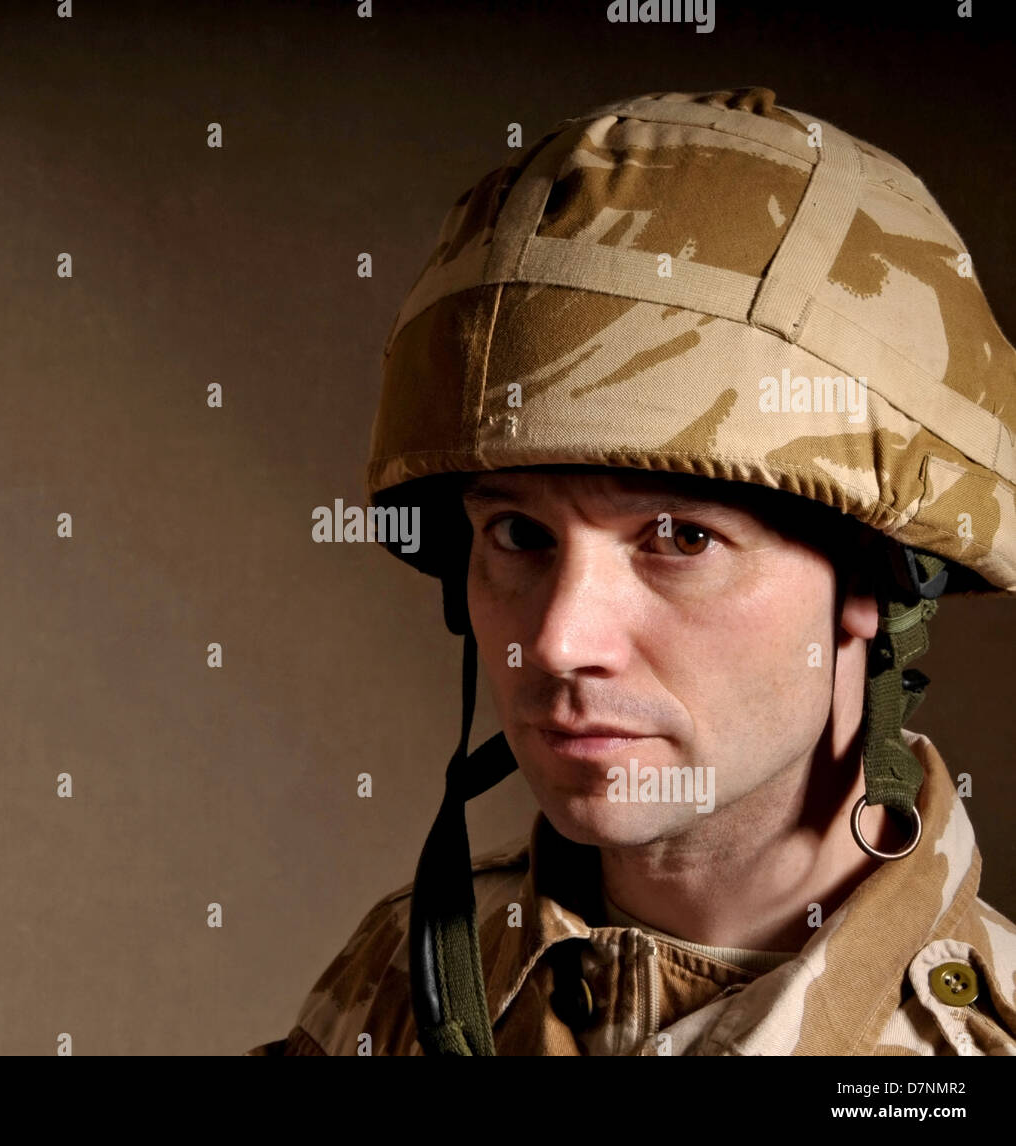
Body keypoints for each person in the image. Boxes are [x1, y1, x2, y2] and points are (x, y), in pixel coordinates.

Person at [247, 87, 1016, 1056]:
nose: (561, 639)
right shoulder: (405, 982)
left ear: (869, 584)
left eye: (679, 540)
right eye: (520, 537)